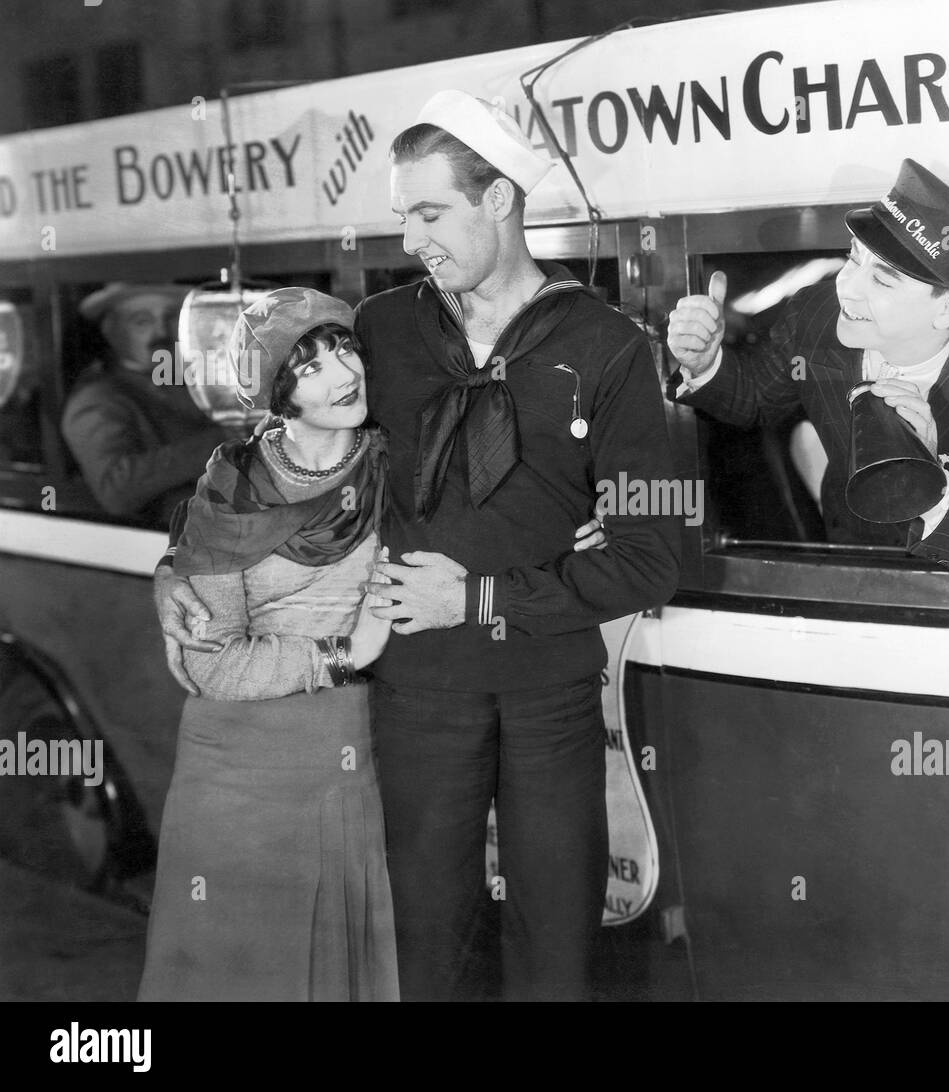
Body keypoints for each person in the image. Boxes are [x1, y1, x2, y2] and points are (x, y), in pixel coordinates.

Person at [153, 91, 681, 1001]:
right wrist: (194, 556)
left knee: (556, 951)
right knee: (420, 955)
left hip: (550, 698)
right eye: (404, 217)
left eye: (430, 212)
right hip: (410, 698)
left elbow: (651, 556)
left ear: (500, 200)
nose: (412, 240)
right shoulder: (381, 331)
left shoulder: (610, 347)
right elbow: (287, 444)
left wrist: (480, 598)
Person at [137, 287, 399, 1001]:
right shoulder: (234, 485)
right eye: (309, 366)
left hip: (355, 754)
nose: (342, 373)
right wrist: (344, 654)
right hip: (240, 771)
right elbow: (210, 663)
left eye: (344, 348)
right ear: (277, 389)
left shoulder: (398, 465)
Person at [667, 159, 949, 594]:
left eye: (884, 281)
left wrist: (926, 482)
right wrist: (704, 363)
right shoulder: (814, 315)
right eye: (852, 259)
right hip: (854, 557)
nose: (847, 288)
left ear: (947, 308)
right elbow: (756, 400)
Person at [61, 283, 231, 523]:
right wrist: (223, 439)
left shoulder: (185, 378)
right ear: (112, 332)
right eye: (142, 322)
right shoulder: (97, 399)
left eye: (170, 318)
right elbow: (116, 491)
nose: (160, 332)